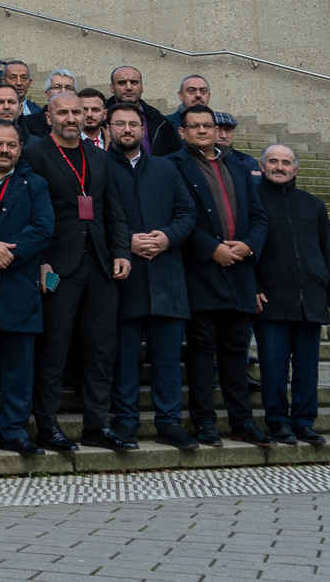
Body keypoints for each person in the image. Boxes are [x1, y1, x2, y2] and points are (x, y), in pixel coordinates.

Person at [23, 91, 133, 453]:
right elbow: (29, 211)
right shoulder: (34, 153)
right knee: (54, 347)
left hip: (100, 264)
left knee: (102, 348)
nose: (72, 118)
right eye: (64, 112)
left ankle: (97, 425)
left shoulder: (99, 157)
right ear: (49, 116)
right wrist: (38, 260)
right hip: (57, 264)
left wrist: (121, 251)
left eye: (79, 111)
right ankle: (48, 425)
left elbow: (112, 209)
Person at [104, 102, 198, 450]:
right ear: (107, 127)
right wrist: (124, 241)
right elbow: (93, 216)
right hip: (123, 276)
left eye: (133, 124)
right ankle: (125, 421)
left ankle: (169, 422)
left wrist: (167, 237)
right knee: (124, 358)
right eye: (119, 124)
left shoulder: (166, 168)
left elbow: (188, 212)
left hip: (166, 275)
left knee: (167, 359)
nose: (126, 129)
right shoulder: (98, 168)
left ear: (143, 130)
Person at [175, 105, 271, 446]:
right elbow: (179, 216)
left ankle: (242, 421)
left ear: (218, 131)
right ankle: (204, 422)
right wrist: (211, 248)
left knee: (236, 352)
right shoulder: (174, 166)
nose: (202, 131)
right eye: (194, 126)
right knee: (201, 351)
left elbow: (259, 217)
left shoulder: (240, 168)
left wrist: (248, 246)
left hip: (241, 272)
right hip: (201, 272)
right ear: (182, 132)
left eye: (208, 126)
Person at [0, 121, 54, 456]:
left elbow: (43, 229)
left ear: (21, 147)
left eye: (12, 145)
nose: (5, 150)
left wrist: (2, 255)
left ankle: (16, 431)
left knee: (19, 368)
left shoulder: (36, 184)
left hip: (20, 287)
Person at [254, 144, 330, 445]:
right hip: (271, 298)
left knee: (307, 368)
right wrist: (252, 287)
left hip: (311, 298)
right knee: (273, 367)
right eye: (273, 161)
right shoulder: (251, 200)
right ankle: (279, 422)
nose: (279, 167)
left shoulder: (314, 205)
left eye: (286, 162)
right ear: (262, 165)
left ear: (296, 169)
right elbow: (247, 250)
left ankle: (305, 422)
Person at [109, 66, 181, 157]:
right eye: (122, 83)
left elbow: (173, 158)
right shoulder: (99, 118)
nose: (129, 87)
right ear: (112, 88)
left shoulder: (160, 122)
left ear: (142, 87)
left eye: (134, 82)